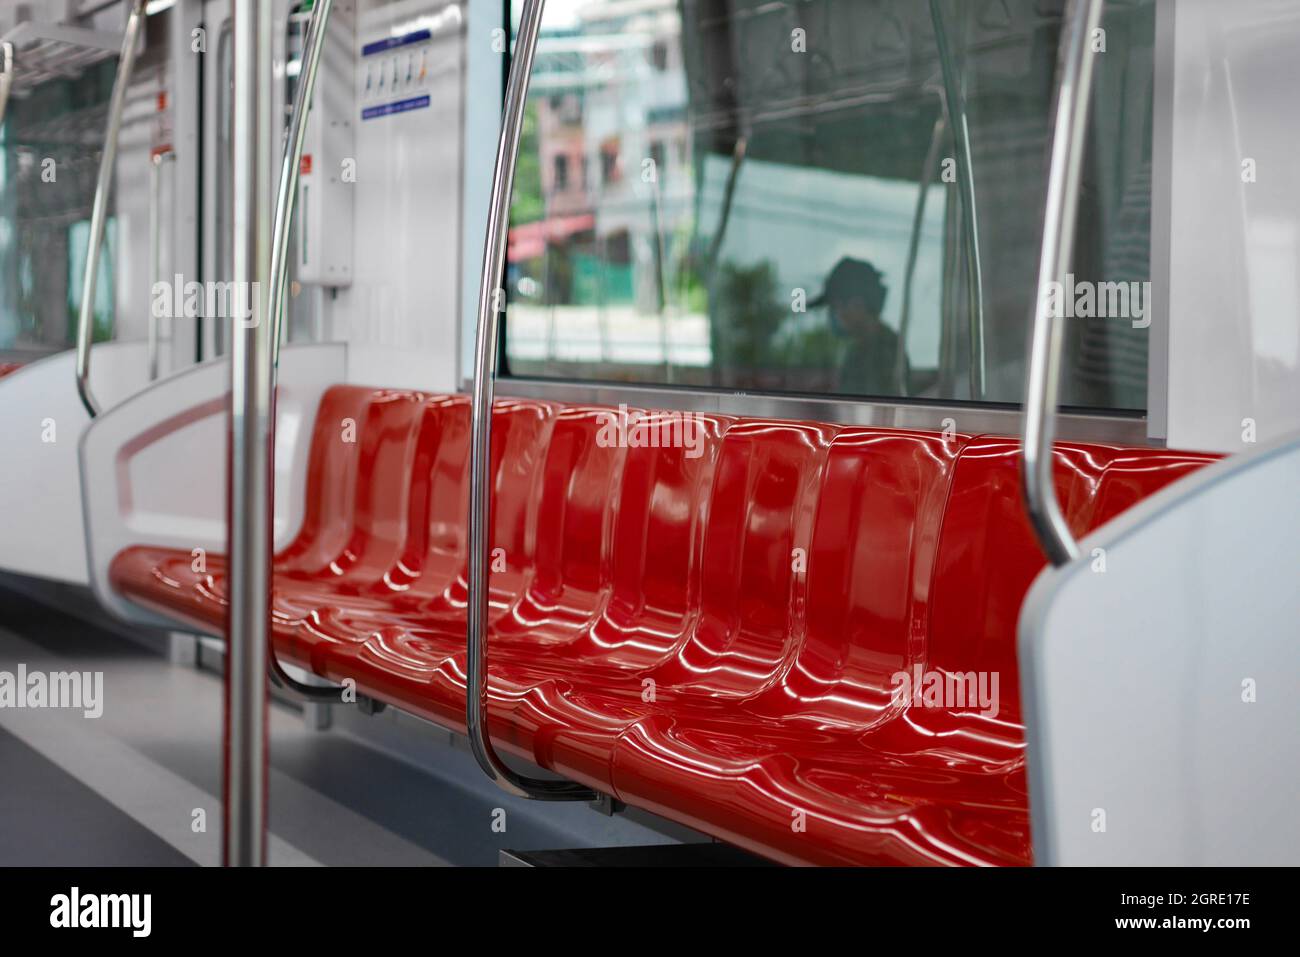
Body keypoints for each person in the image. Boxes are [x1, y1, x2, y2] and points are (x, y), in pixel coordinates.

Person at [810, 257, 906, 396]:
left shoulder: (883, 352)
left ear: (858, 303)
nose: (836, 314)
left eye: (836, 306)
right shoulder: (861, 349)